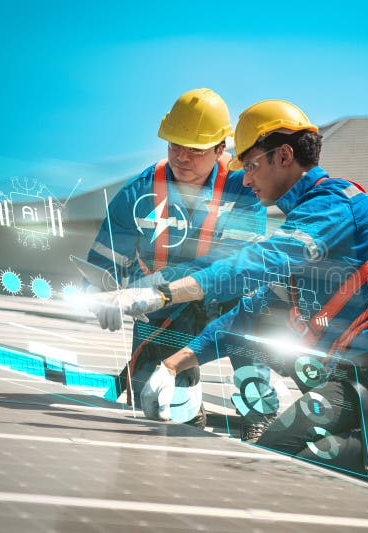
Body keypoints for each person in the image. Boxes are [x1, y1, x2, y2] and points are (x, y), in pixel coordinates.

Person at [109, 99, 368, 508]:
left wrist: (162, 292)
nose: (245, 180)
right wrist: (173, 363)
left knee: (281, 452)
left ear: (283, 156)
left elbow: (257, 262)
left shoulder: (332, 205)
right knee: (283, 450)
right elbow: (247, 313)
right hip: (366, 368)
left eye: (250, 166)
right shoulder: (306, 221)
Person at [86, 88, 275, 431]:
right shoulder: (139, 192)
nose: (182, 157)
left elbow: (236, 261)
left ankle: (260, 412)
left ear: (222, 148)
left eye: (195, 149)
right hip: (161, 308)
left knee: (247, 306)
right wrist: (100, 294)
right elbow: (105, 256)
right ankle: (188, 408)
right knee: (152, 404)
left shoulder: (245, 189)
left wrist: (150, 287)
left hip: (222, 298)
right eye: (175, 145)